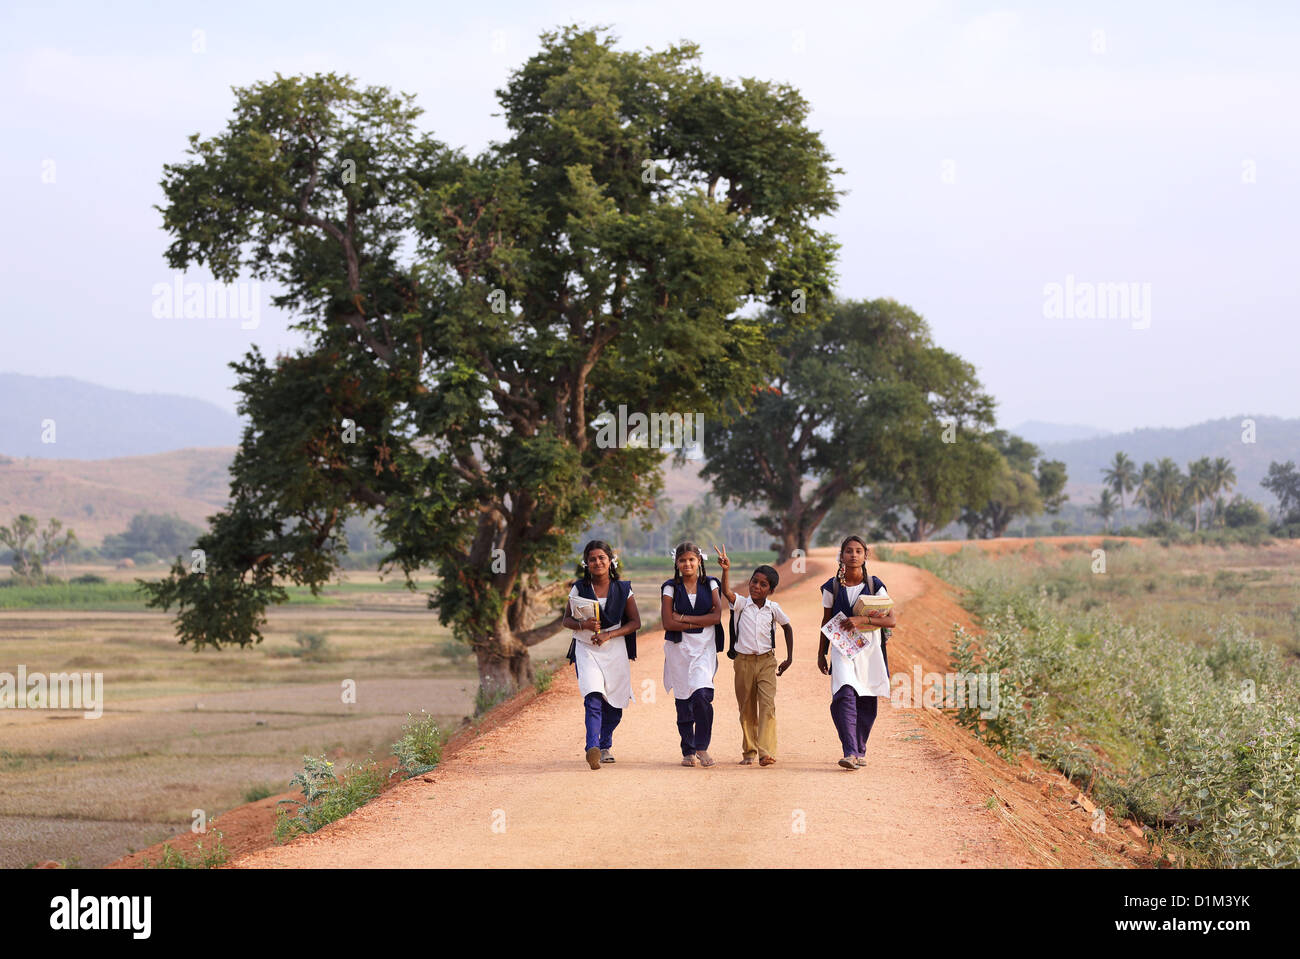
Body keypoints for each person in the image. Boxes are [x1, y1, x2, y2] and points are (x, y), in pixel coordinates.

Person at [816, 535, 898, 770]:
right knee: (844, 693)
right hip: (842, 649)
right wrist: (821, 652)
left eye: (858, 551)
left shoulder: (875, 585)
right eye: (849, 551)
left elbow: (891, 620)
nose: (853, 555)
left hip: (870, 649)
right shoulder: (832, 586)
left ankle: (860, 748)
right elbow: (826, 619)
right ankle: (850, 751)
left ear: (865, 555)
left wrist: (862, 619)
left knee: (867, 698)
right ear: (841, 556)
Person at [562, 540, 641, 770]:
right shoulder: (579, 588)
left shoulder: (623, 588)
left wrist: (609, 635)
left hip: (615, 648)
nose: (597, 562)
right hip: (586, 649)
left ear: (610, 561)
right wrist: (583, 625)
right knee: (593, 697)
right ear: (586, 563)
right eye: (592, 559)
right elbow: (566, 620)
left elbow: (636, 622)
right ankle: (592, 748)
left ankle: (605, 743)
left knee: (615, 706)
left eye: (601, 558)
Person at [714, 544, 793, 767]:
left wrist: (789, 657)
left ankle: (766, 751)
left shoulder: (773, 608)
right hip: (743, 662)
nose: (756, 587)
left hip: (767, 661)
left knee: (767, 705)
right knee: (746, 707)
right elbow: (727, 592)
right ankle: (749, 751)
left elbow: (787, 627)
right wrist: (726, 571)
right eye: (754, 581)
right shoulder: (740, 604)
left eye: (763, 584)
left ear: (771, 590)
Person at [660, 541, 723, 767]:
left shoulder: (712, 584)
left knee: (702, 695)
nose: (687, 564)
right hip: (678, 649)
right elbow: (667, 621)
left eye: (691, 560)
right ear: (676, 563)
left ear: (699, 561)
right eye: (682, 560)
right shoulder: (670, 587)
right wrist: (696, 623)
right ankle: (687, 750)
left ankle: (702, 747)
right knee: (684, 699)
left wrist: (684, 619)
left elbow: (716, 617)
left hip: (704, 647)